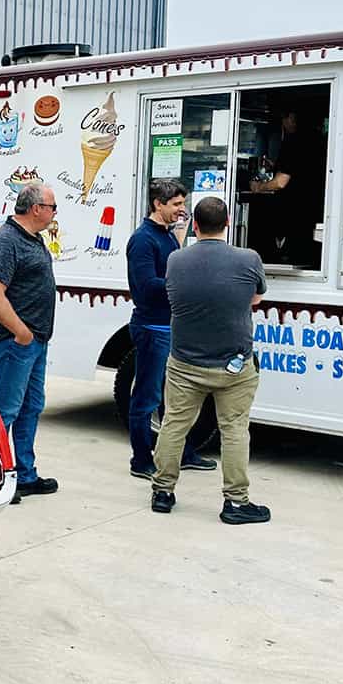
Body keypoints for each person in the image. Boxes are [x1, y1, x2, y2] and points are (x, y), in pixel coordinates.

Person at [150, 197, 270, 525]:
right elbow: (255, 298)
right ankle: (235, 502)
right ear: (229, 223)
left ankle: (163, 491)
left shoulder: (176, 259)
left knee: (174, 423)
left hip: (185, 361)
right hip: (233, 364)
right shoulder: (249, 259)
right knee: (234, 430)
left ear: (195, 226)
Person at [126, 179, 215, 478]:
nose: (182, 209)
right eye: (176, 204)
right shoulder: (143, 240)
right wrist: (182, 284)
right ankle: (141, 460)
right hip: (152, 328)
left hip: (171, 327)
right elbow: (145, 286)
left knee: (177, 400)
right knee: (147, 398)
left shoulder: (166, 235)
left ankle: (184, 453)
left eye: (183, 203)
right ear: (158, 204)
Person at [0, 181, 59, 501]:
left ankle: (25, 474)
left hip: (34, 341)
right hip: (15, 343)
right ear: (36, 208)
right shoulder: (5, 242)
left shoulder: (34, 239)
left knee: (31, 408)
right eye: (53, 207)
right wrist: (21, 332)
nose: (55, 213)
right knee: (6, 410)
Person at [250, 110, 324, 265]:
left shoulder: (294, 142)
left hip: (295, 211)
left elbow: (280, 182)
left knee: (289, 255)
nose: (282, 124)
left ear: (291, 118)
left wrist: (258, 187)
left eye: (284, 118)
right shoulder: (321, 140)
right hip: (315, 207)